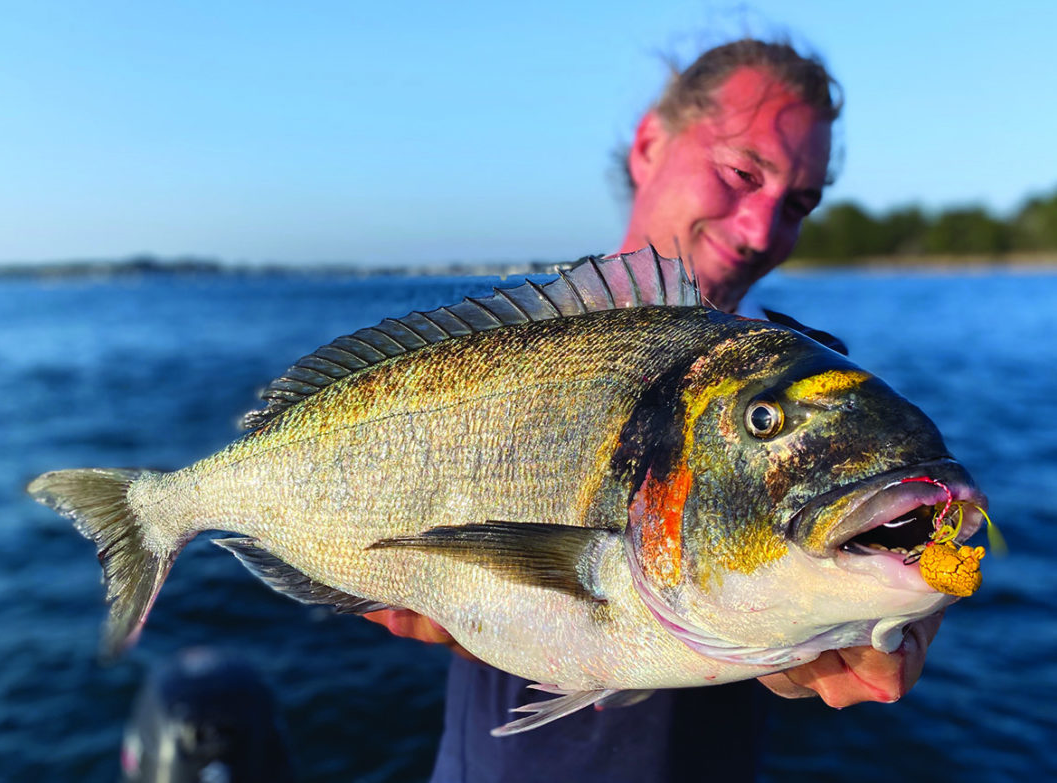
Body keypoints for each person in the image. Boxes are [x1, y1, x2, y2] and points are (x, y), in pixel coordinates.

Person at [365, 38, 944, 781]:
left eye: (799, 203)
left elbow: (912, 502)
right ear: (648, 143)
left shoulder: (811, 371)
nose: (763, 229)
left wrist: (901, 603)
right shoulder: (509, 352)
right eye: (741, 172)